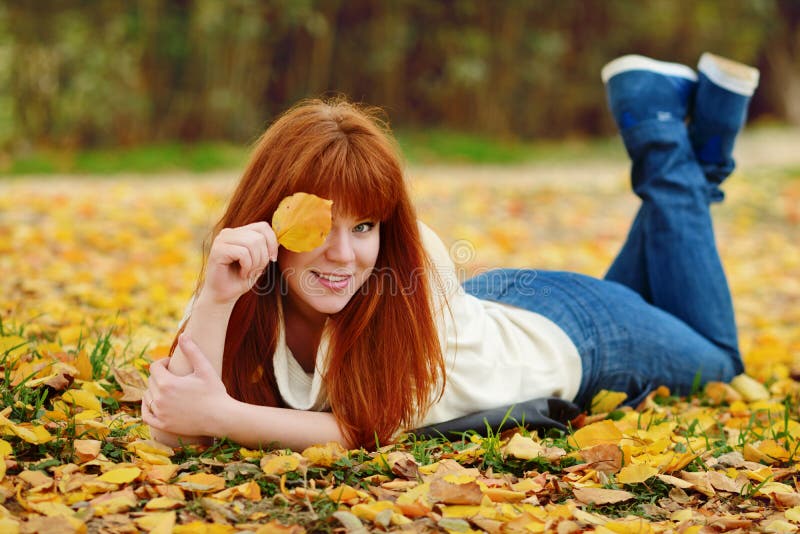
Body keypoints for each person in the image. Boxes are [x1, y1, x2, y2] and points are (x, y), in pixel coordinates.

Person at [143, 52, 760, 451]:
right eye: (320, 224)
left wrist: (222, 415)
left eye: (364, 228)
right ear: (271, 217)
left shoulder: (416, 260)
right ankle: (703, 142)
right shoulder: (245, 267)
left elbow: (366, 430)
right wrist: (218, 296)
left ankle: (653, 125)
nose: (343, 255)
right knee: (669, 300)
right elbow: (169, 428)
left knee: (723, 361)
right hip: (483, 315)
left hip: (581, 338)